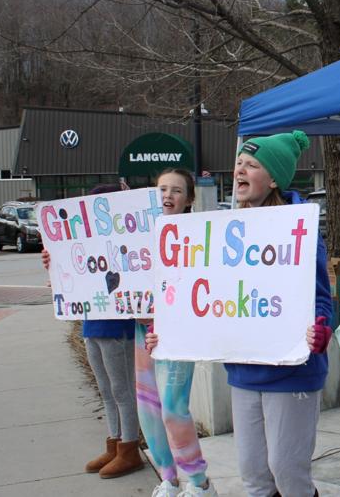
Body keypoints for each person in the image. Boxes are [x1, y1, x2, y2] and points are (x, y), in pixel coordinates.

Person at [146, 130, 333, 497]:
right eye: (238, 164)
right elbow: (195, 292)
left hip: (292, 371)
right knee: (253, 475)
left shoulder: (300, 229)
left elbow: (321, 298)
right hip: (244, 371)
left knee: (287, 472)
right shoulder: (223, 231)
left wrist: (322, 327)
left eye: (252, 164)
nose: (240, 171)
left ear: (274, 177)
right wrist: (166, 329)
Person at [41, 184, 144, 480]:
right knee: (107, 390)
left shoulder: (128, 238)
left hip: (117, 327)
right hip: (92, 323)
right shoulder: (86, 241)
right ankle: (114, 443)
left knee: (121, 390)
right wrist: (54, 263)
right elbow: (68, 276)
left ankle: (129, 448)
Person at [137, 168, 217, 497]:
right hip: (142, 330)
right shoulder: (141, 233)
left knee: (172, 408)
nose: (167, 196)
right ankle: (168, 479)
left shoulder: (198, 234)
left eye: (176, 190)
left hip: (177, 335)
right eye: (162, 190)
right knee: (149, 408)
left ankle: (199, 484)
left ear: (189, 199)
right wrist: (55, 262)